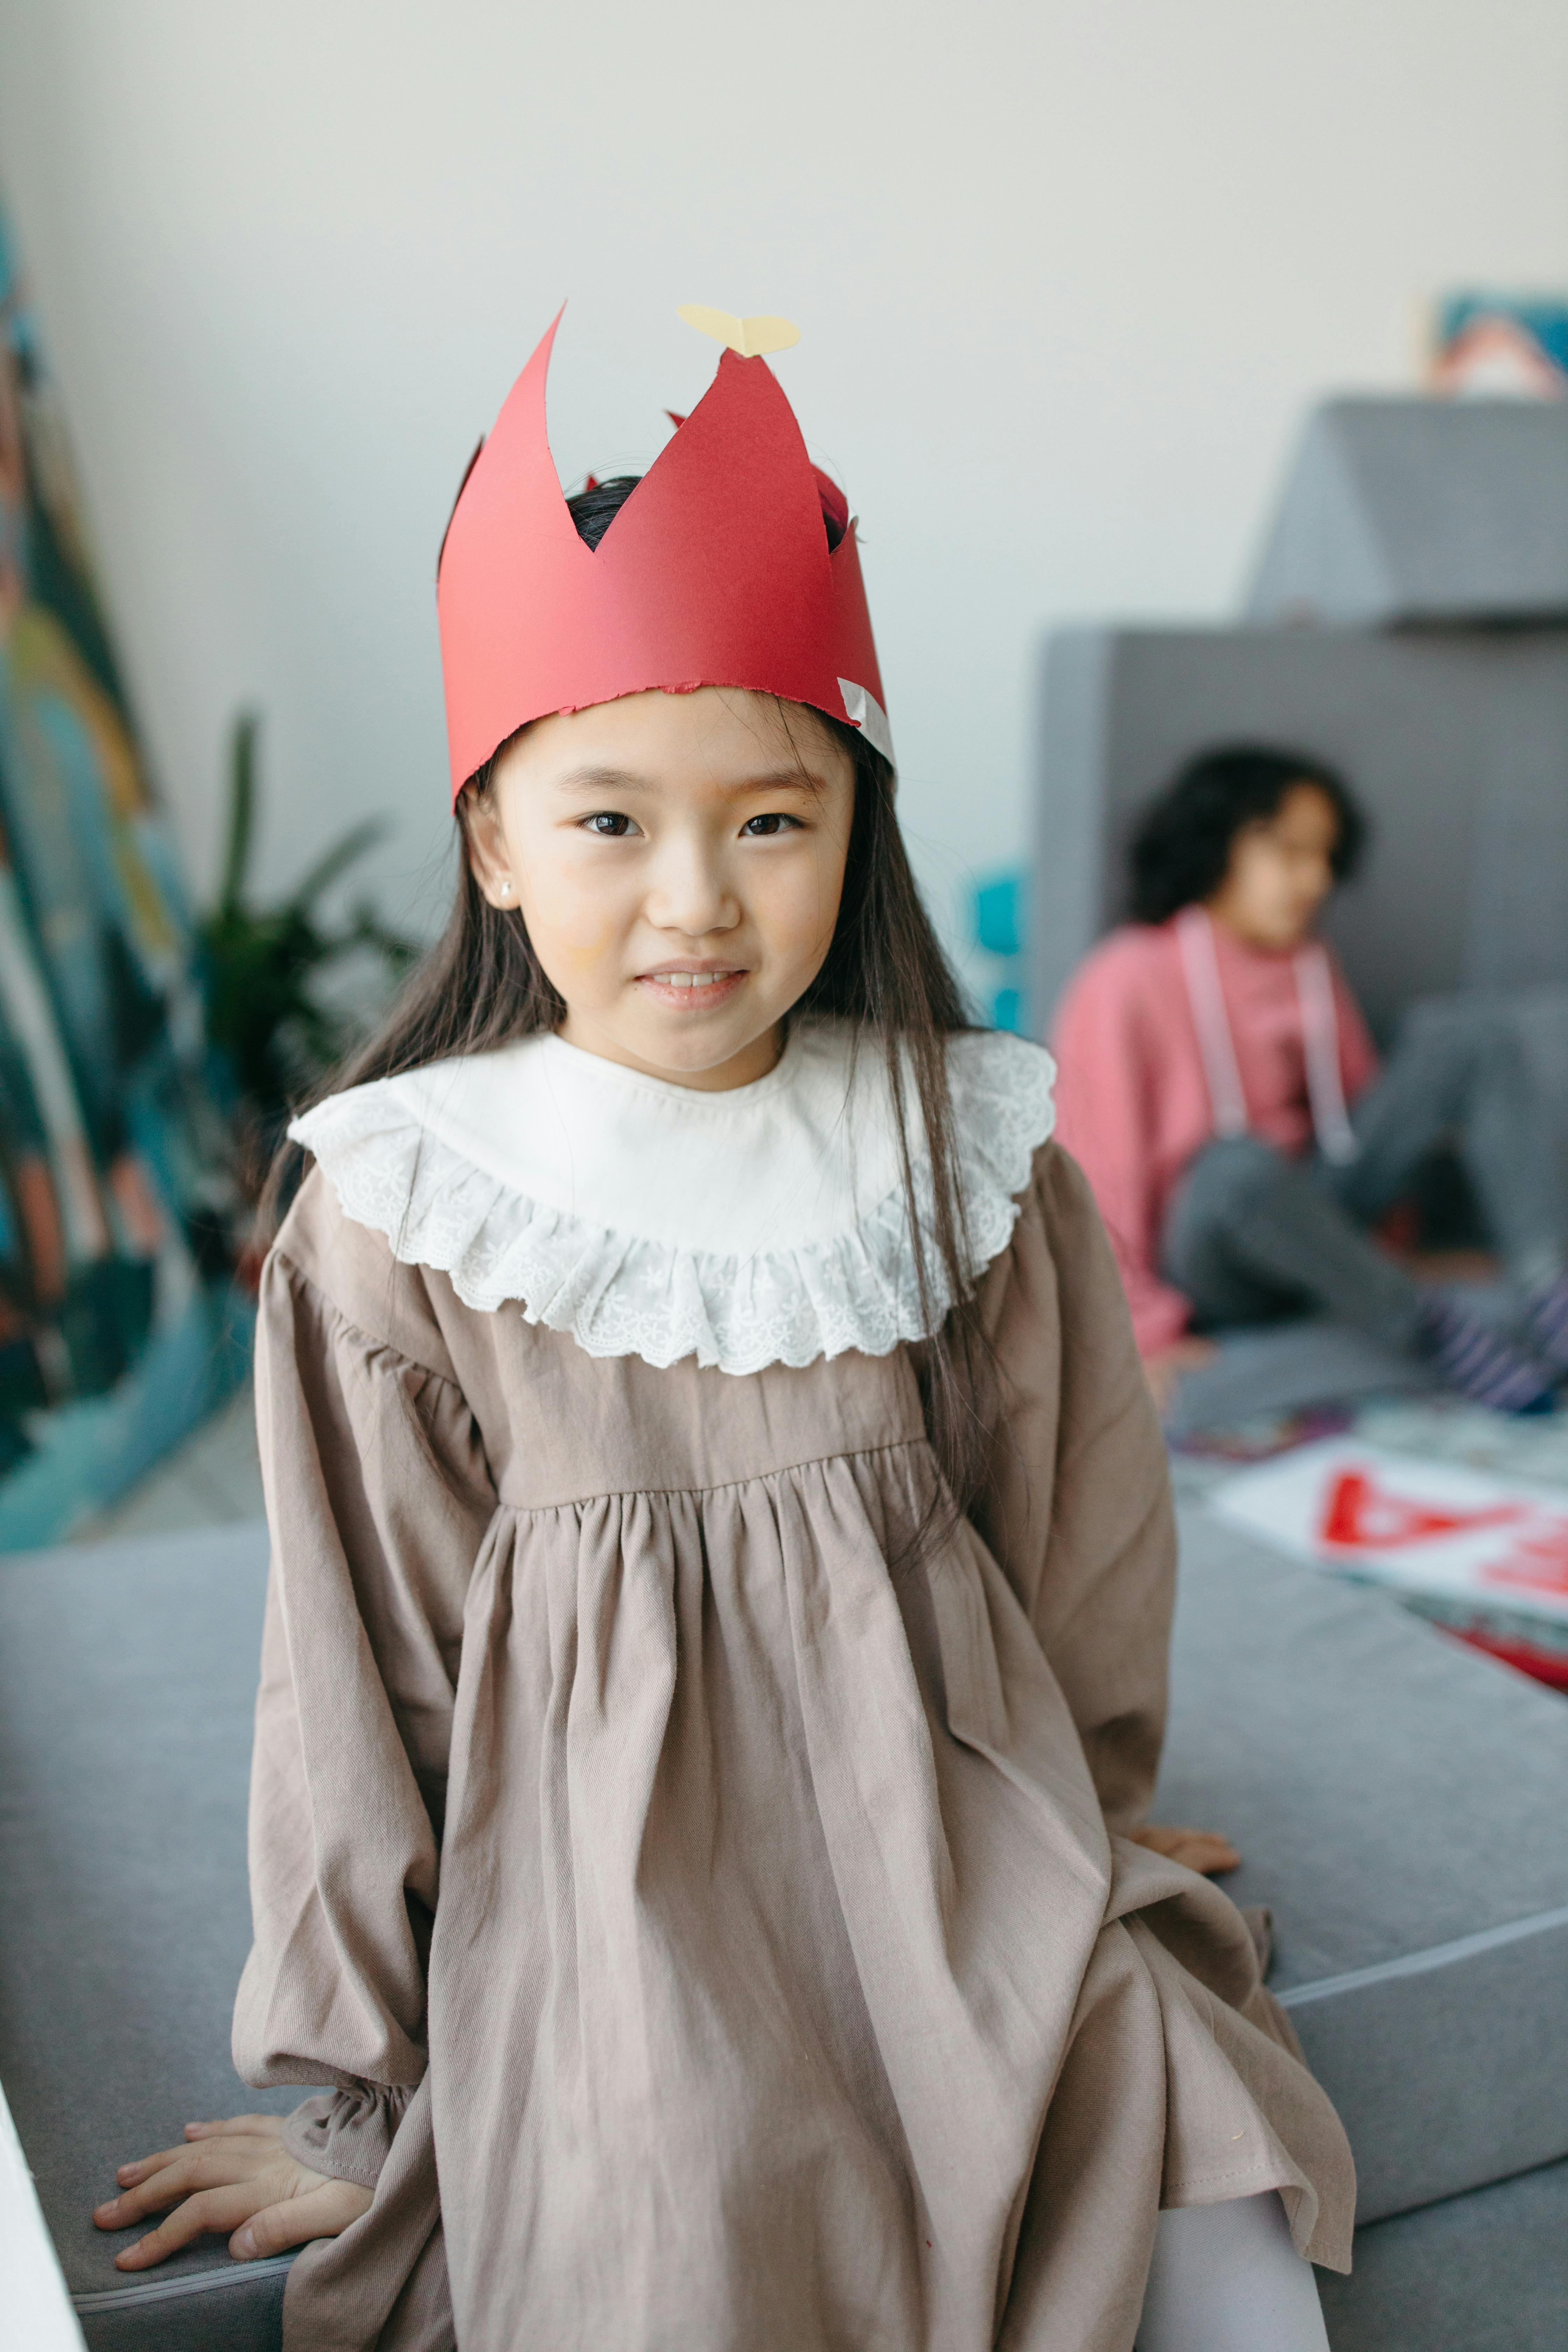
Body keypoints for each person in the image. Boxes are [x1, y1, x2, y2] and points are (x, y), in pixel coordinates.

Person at [93, 317, 1351, 2351]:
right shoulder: (409, 1208)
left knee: (1187, 2161)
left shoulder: (956, 1146)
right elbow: (352, 1672)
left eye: (768, 818)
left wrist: (1094, 1804)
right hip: (619, 1891)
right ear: (493, 842)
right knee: (675, 2214)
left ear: (850, 821)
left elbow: (1075, 1519)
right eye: (607, 823)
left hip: (957, 1833)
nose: (696, 895)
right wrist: (356, 2083)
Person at [1052, 743, 1568, 1418]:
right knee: (1237, 1165)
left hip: (1315, 1214)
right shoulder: (1124, 976)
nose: (1315, 880)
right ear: (1215, 845)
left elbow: (1355, 1124)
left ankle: (1551, 1289)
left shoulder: (1311, 965)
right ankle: (1430, 1330)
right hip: (1218, 1246)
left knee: (1472, 1038)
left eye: (1325, 858)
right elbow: (1095, 1173)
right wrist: (1136, 1335)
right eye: (1290, 853)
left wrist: (1391, 1247)